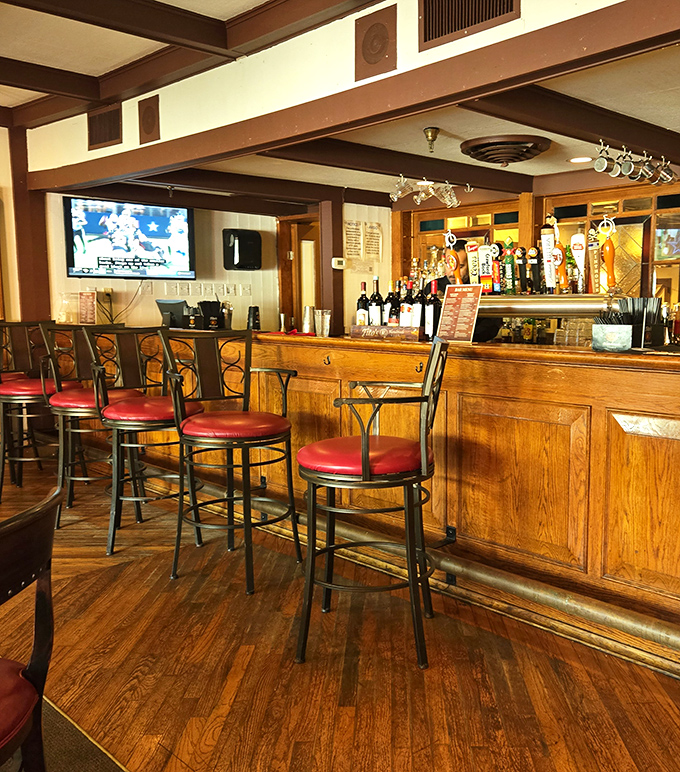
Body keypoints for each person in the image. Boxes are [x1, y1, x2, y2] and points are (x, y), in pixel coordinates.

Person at [436, 239, 502, 342]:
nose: (453, 272)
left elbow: (492, 324)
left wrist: (466, 338)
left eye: (460, 266)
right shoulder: (434, 287)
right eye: (449, 265)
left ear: (471, 264)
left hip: (477, 346)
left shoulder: (486, 286)